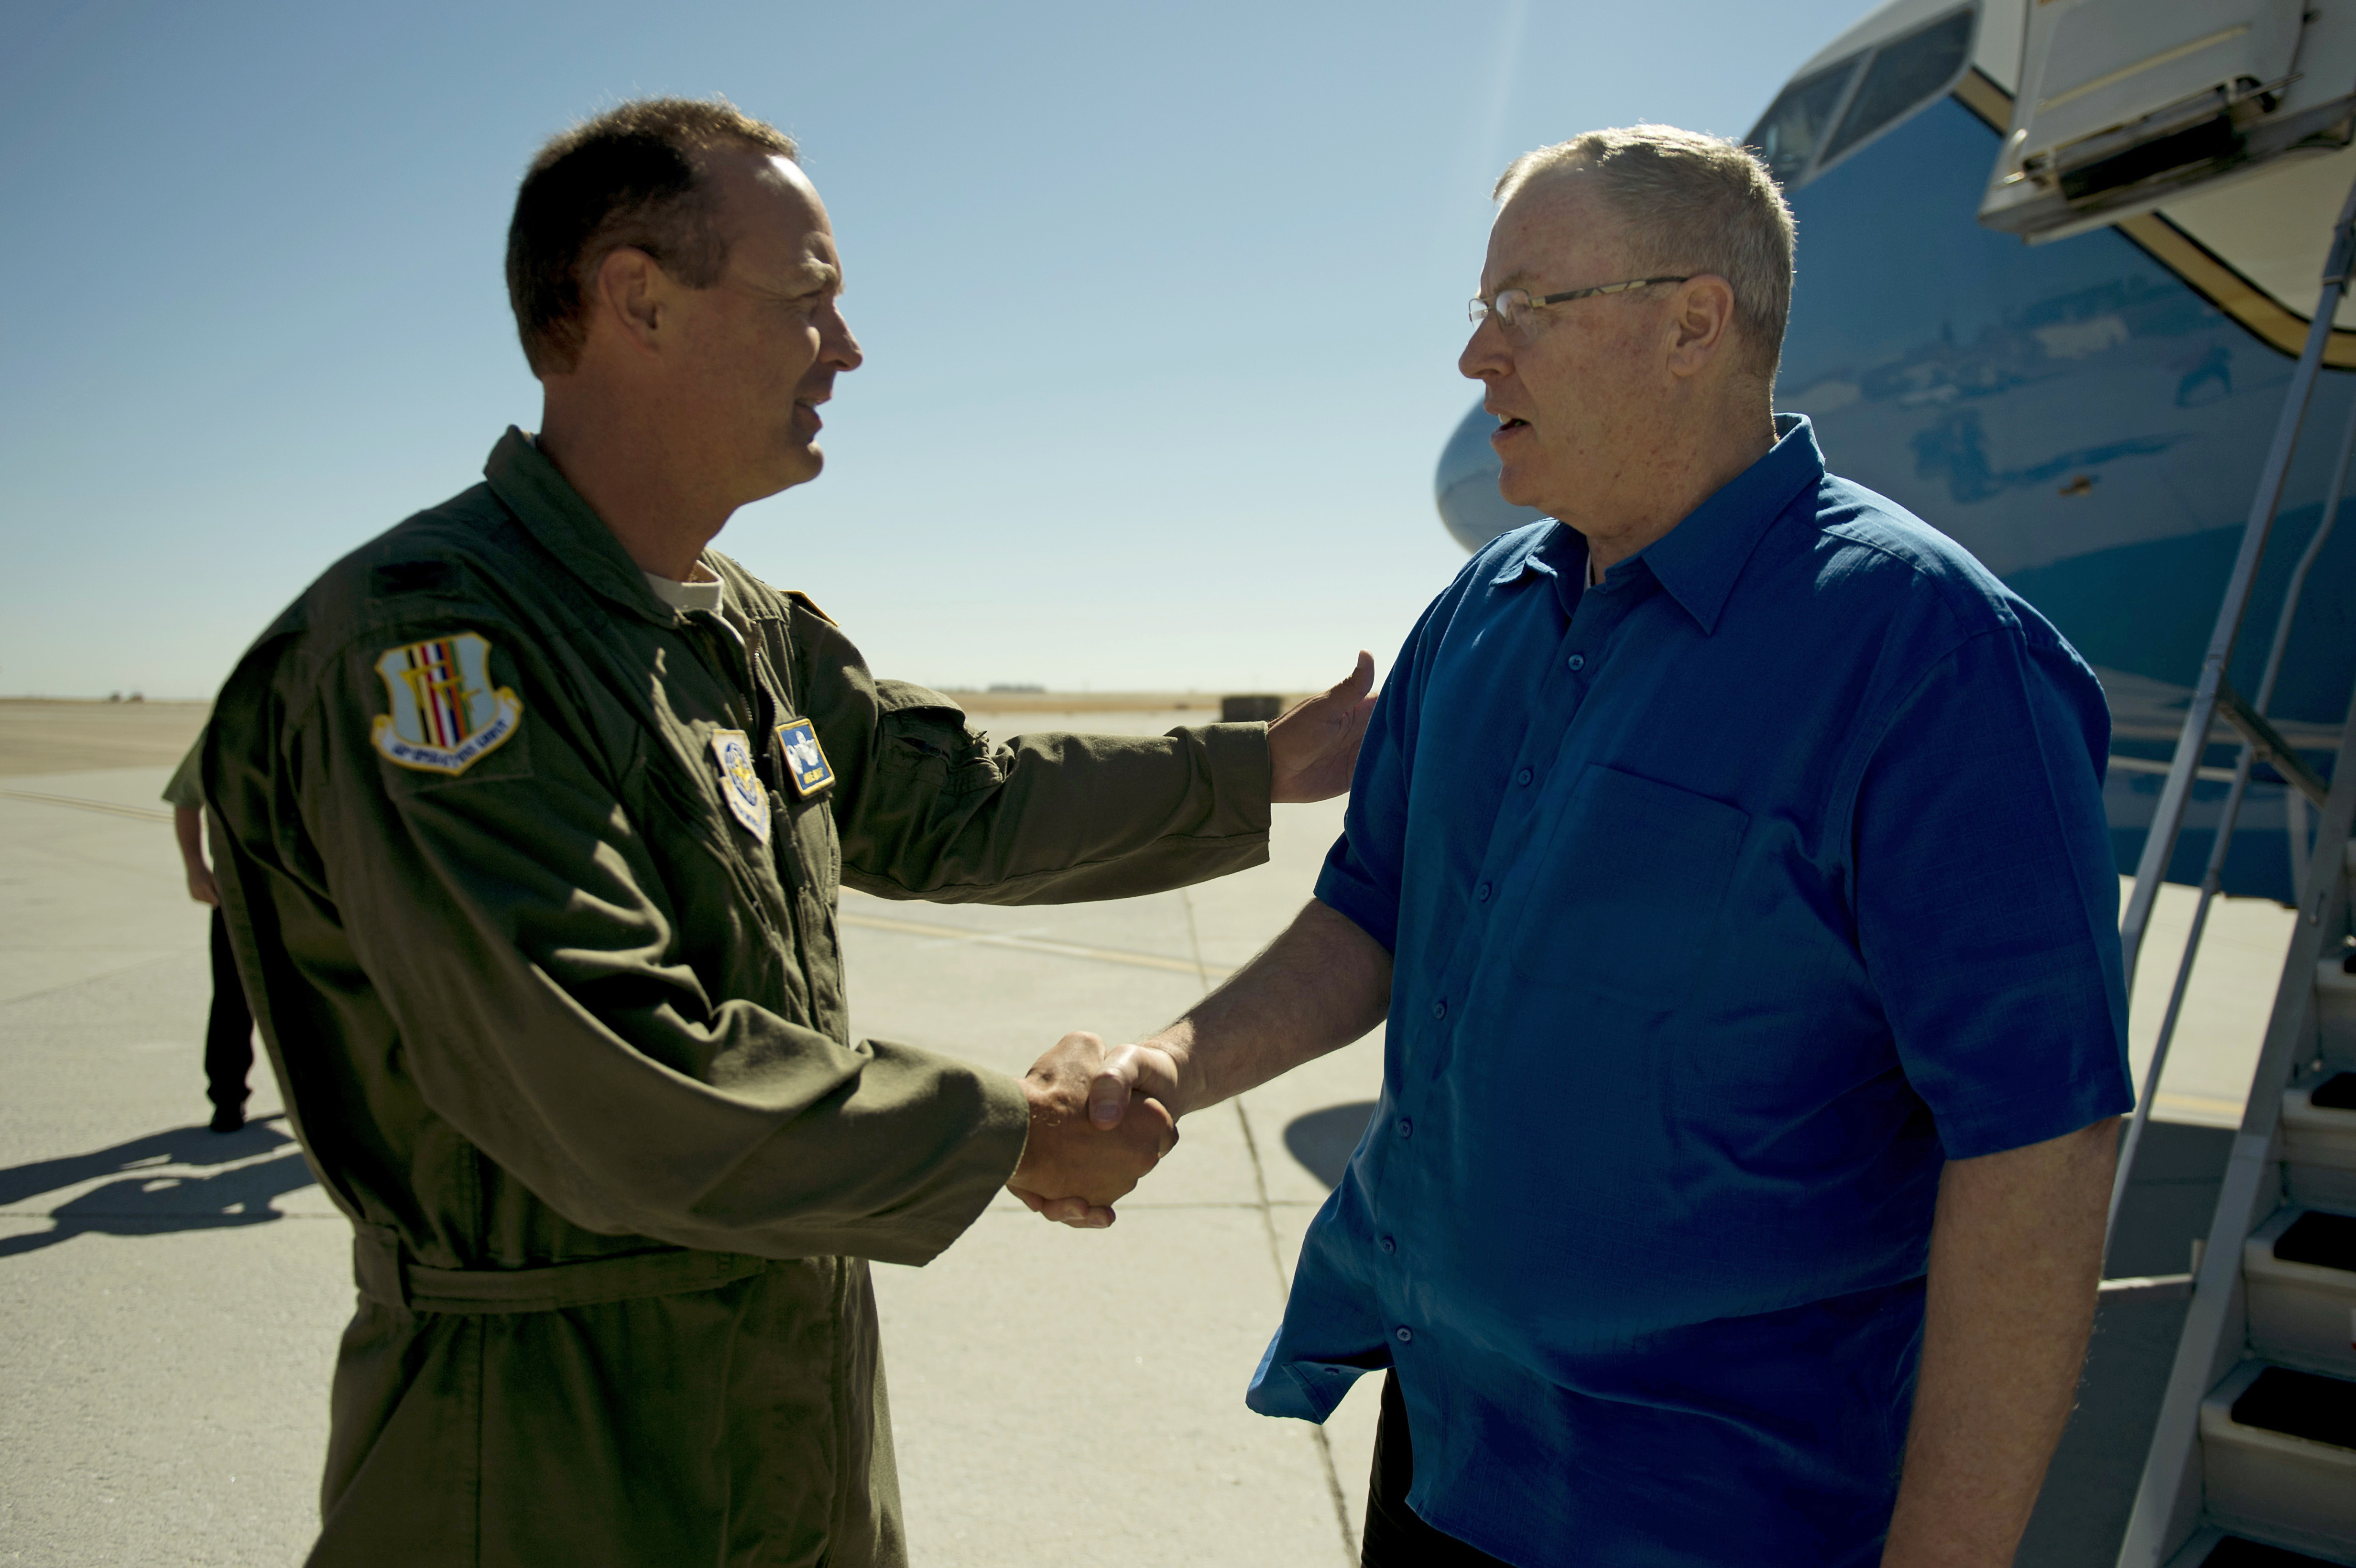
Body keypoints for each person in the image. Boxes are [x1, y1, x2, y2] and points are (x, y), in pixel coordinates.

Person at [199, 97, 1372, 1568]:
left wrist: (1258, 770)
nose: (848, 347)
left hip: (787, 1409)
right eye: (809, 296)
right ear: (638, 300)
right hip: (551, 1452)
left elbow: (951, 799)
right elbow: (615, 1077)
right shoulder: (436, 649)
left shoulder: (737, 629)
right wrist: (1011, 1136)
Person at [1083, 126, 2133, 1568]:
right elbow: (1371, 915)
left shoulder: (1935, 661)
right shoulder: (1480, 612)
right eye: (1481, 309)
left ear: (1693, 324)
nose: (1477, 357)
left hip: (1719, 1511)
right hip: (1446, 1445)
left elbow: (2037, 1149)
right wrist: (1167, 1067)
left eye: (1526, 306)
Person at [162, 735, 254, 1132]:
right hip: (240, 888)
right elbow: (186, 797)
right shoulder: (230, 728)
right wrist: (195, 867)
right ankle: (228, 1096)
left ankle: (323, 1101)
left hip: (313, 890)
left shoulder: (329, 718)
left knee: (322, 996)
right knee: (234, 996)